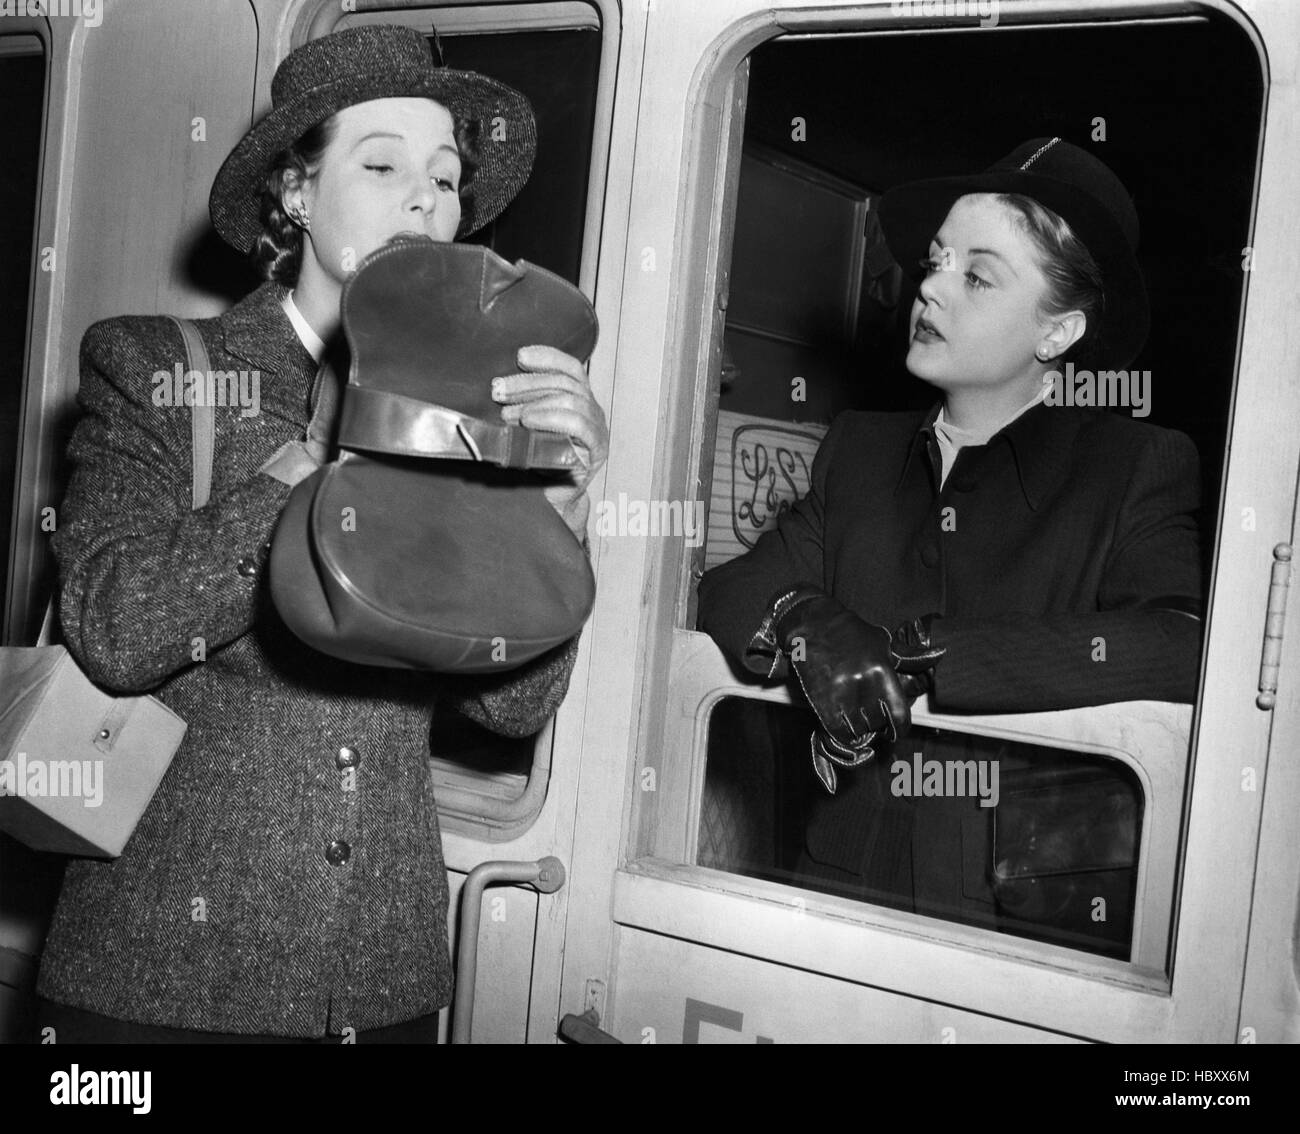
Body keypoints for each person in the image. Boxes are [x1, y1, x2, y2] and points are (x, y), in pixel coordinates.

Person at [34, 25, 607, 1042]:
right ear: (294, 198)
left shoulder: (472, 403)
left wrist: (556, 513)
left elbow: (511, 708)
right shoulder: (160, 368)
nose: (426, 199)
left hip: (379, 980)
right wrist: (323, 450)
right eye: (381, 164)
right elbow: (116, 629)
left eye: (445, 179)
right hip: (163, 981)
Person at [698, 138, 1202, 935]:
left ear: (1059, 333)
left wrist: (929, 655)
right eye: (935, 262)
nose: (928, 287)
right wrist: (800, 615)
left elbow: (1179, 644)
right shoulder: (860, 449)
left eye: (976, 275)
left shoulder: (1136, 464)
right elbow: (729, 591)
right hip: (839, 888)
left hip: (1031, 923)